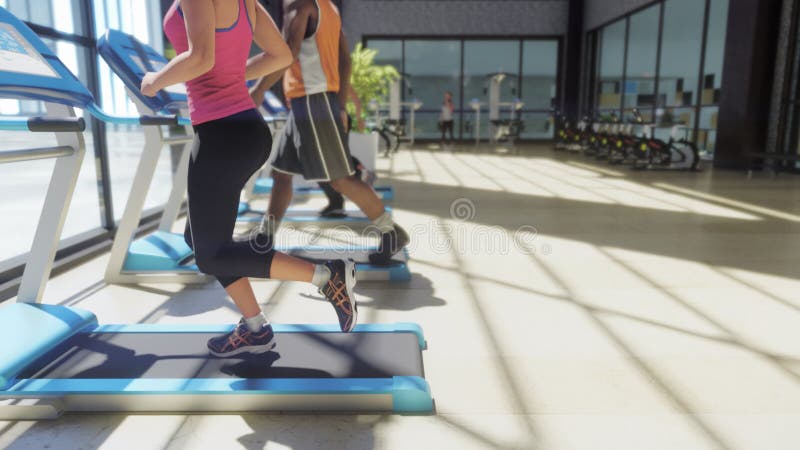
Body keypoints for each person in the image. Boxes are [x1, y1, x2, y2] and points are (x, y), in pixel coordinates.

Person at [141, 0, 358, 357]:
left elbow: (200, 59)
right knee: (200, 238)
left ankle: (327, 276)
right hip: (247, 131)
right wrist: (231, 73)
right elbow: (280, 56)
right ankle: (256, 327)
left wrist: (154, 81)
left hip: (221, 134)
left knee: (210, 255)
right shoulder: (248, 3)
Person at [250, 0, 408, 264]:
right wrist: (341, 105)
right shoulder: (328, 7)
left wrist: (258, 89)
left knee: (340, 179)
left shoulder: (298, 5)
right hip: (309, 101)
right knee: (282, 173)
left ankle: (390, 232)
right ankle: (265, 237)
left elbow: (288, 52)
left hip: (313, 100)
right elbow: (345, 61)